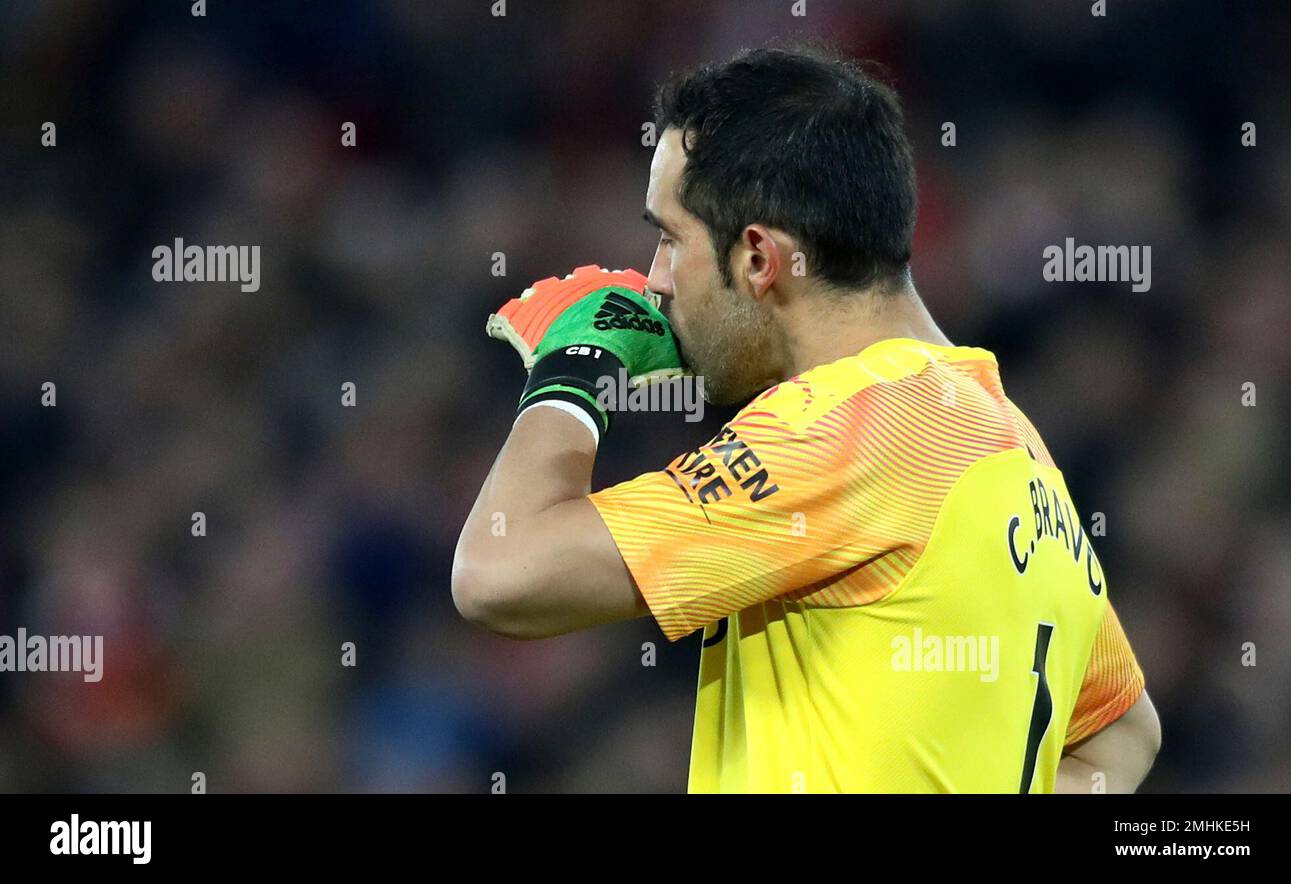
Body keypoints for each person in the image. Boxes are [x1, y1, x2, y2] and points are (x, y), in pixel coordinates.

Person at [453, 45, 1160, 793]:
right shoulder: (1012, 443)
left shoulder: (847, 431)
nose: (655, 278)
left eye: (669, 237)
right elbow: (1123, 734)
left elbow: (498, 575)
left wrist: (573, 373)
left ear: (759, 257)